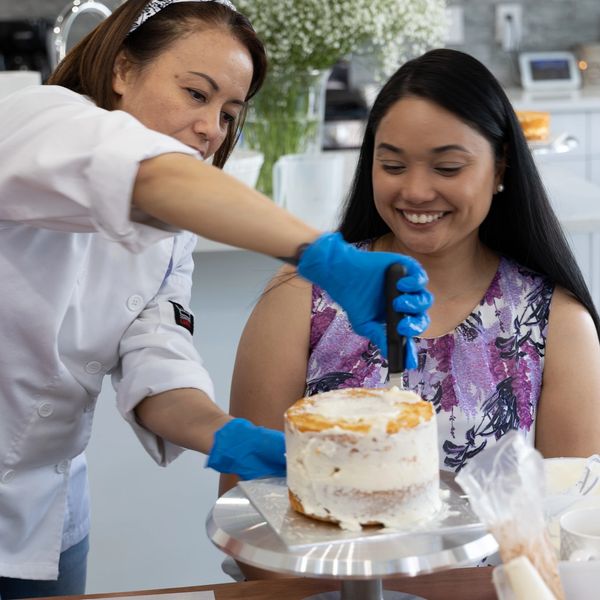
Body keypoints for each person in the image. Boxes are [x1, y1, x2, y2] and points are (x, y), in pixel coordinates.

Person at [0, 0, 432, 597]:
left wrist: (227, 437)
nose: (212, 128)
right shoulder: (37, 117)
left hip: (46, 515)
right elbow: (153, 175)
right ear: (123, 70)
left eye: (230, 112)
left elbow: (157, 370)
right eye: (196, 95)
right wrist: (328, 259)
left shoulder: (169, 235)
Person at [221, 48, 600, 500]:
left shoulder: (556, 321)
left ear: (500, 167)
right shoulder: (302, 296)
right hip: (326, 572)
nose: (416, 191)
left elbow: (571, 527)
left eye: (447, 167)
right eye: (393, 165)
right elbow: (247, 506)